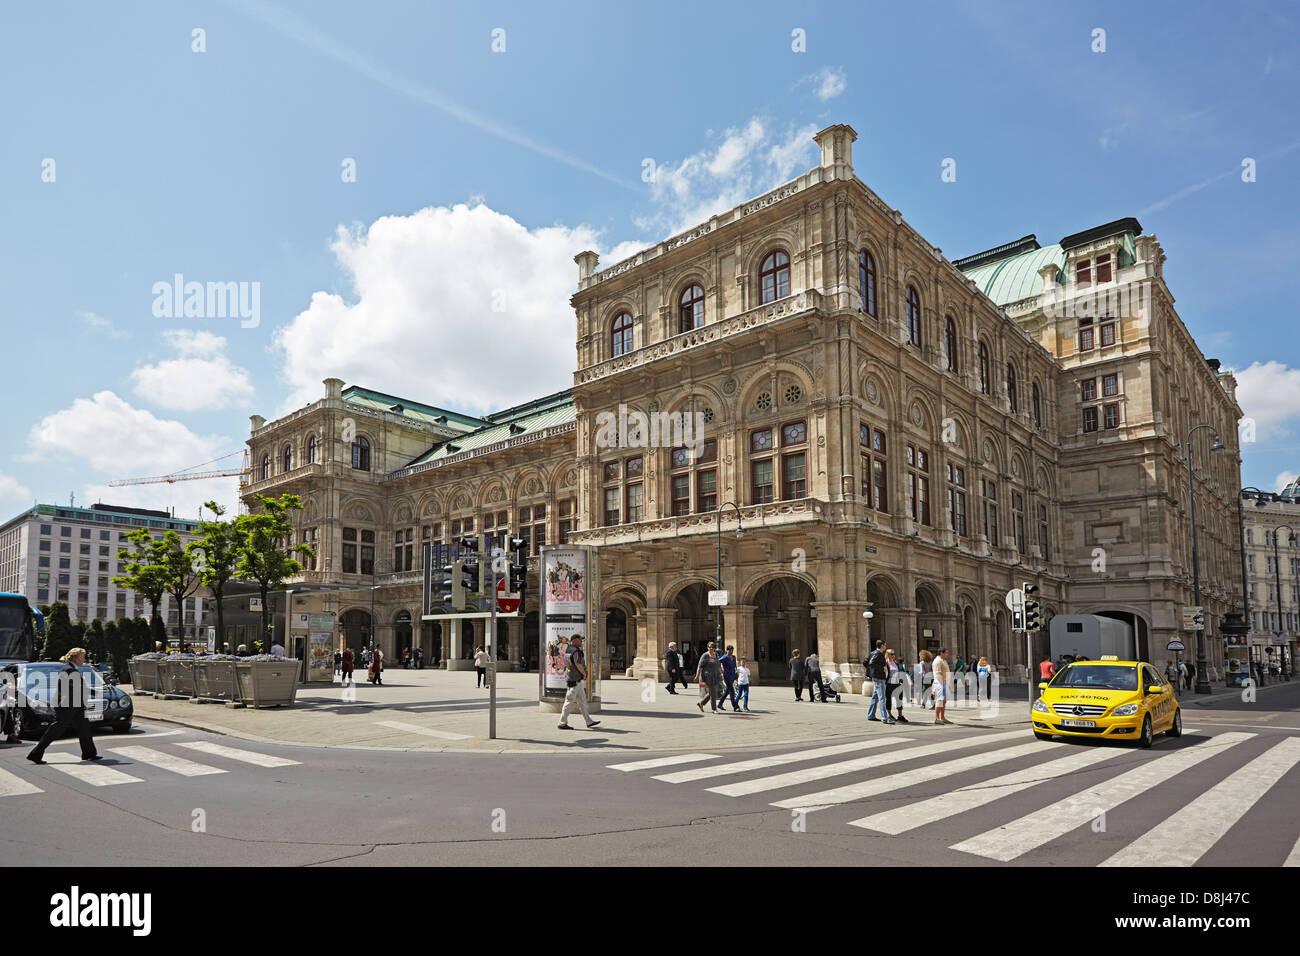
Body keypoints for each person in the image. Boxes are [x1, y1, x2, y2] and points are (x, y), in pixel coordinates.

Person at [27, 648, 101, 765]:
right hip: (67, 705)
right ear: (75, 658)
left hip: (75, 704)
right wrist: (95, 692)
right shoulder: (69, 670)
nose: (84, 659)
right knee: (56, 730)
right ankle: (35, 754)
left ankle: (89, 753)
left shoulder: (70, 669)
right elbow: (78, 687)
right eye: (82, 657)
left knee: (84, 727)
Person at [557, 635, 600, 730]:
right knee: (569, 701)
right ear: (575, 640)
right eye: (580, 640)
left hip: (575, 679)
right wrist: (584, 674)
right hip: (574, 680)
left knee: (582, 702)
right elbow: (578, 664)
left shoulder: (569, 649)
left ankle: (588, 721)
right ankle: (562, 722)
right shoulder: (576, 651)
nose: (581, 641)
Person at [865, 640, 889, 721]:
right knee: (882, 698)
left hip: (876, 677)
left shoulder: (872, 653)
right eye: (885, 645)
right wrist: (882, 668)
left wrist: (871, 672)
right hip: (879, 678)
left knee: (875, 698)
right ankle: (885, 718)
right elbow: (871, 663)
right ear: (882, 645)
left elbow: (865, 662)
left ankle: (871, 715)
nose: (886, 646)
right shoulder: (878, 654)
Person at [696, 641, 722, 713]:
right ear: (707, 647)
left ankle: (701, 703)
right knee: (713, 692)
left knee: (712, 692)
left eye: (713, 647)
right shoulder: (705, 655)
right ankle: (714, 709)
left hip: (715, 676)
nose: (711, 648)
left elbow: (718, 664)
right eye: (710, 647)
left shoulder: (716, 655)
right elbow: (700, 666)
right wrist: (697, 676)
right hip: (707, 676)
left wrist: (721, 672)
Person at [932, 647, 953, 725]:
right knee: (939, 700)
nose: (947, 654)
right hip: (940, 683)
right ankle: (937, 718)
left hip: (944, 683)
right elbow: (938, 674)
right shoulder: (937, 661)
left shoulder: (943, 660)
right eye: (946, 653)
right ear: (941, 653)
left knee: (944, 701)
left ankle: (942, 717)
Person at [885, 649, 907, 723]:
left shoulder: (896, 663)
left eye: (894, 654)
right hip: (889, 683)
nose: (893, 655)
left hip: (897, 683)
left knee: (899, 699)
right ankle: (890, 715)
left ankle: (900, 716)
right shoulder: (886, 663)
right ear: (887, 655)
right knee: (888, 699)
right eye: (891, 654)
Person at [718, 645, 740, 710]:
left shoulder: (734, 657)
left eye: (732, 650)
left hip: (732, 676)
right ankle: (735, 706)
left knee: (727, 691)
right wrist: (720, 670)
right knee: (732, 691)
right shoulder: (725, 657)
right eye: (729, 650)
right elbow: (717, 661)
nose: (731, 651)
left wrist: (737, 673)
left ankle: (720, 704)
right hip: (726, 676)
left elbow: (735, 666)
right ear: (727, 650)